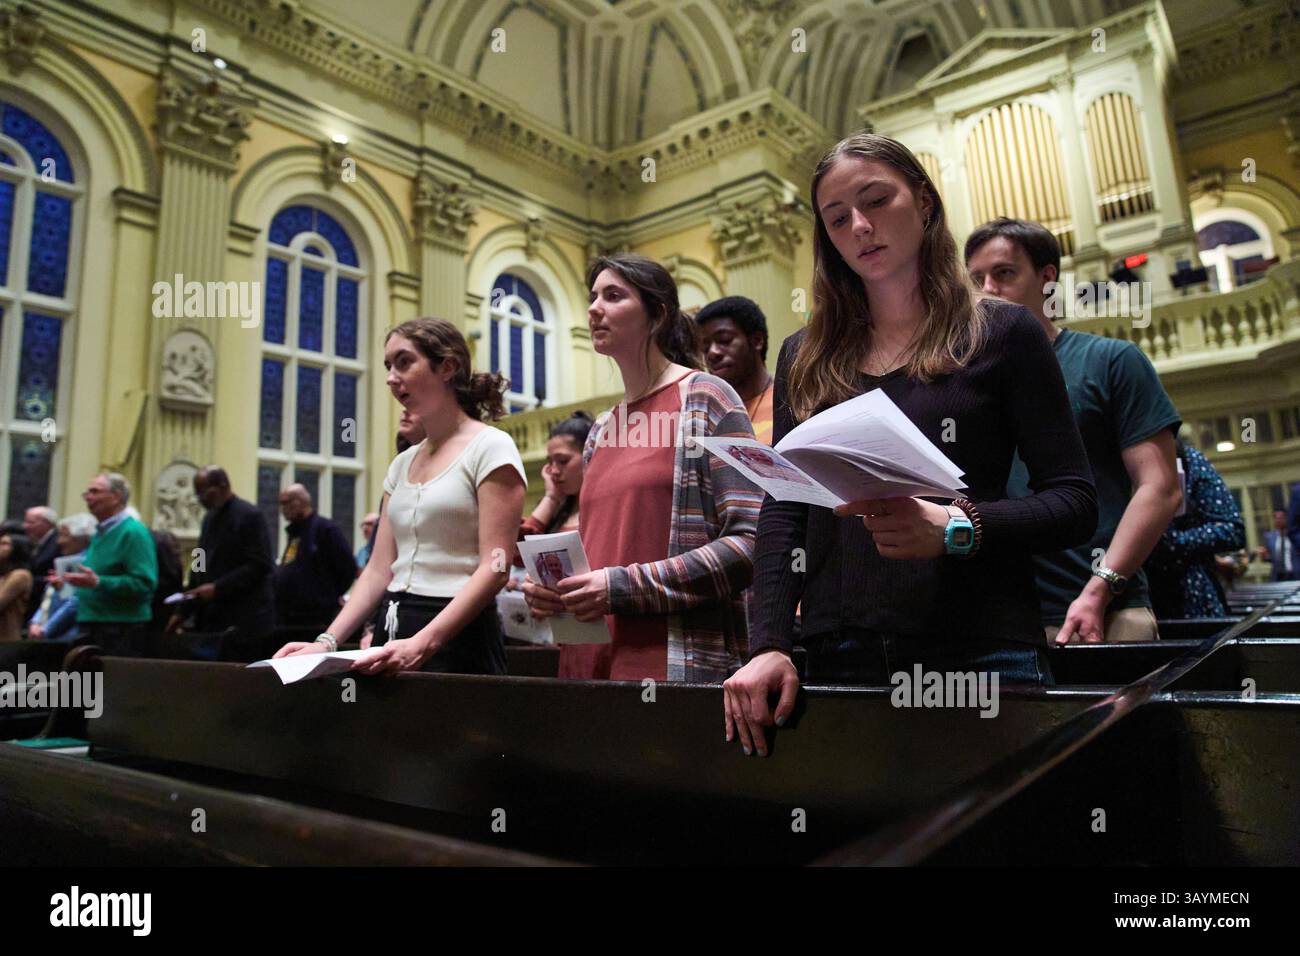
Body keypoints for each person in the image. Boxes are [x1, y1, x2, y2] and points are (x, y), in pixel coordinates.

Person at [723, 133, 1098, 754]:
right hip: (838, 646)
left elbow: (1074, 501)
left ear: (924, 202)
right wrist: (768, 644)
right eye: (837, 218)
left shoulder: (1002, 331)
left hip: (979, 649)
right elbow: (785, 508)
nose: (860, 227)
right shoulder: (804, 353)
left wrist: (956, 526)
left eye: (877, 201)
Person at [522, 254, 763, 682]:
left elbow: (748, 544)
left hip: (668, 663)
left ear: (657, 314)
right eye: (592, 297)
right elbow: (597, 556)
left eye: (613, 296)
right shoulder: (600, 429)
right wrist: (557, 593)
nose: (595, 307)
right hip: (585, 664)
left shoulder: (707, 397)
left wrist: (620, 588)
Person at [966, 217, 1182, 644]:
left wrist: (1100, 588)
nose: (987, 289)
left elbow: (1160, 488)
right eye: (976, 279)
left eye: (1004, 273)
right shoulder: (965, 383)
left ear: (1047, 278)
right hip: (1001, 620)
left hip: (1103, 610)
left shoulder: (1112, 360)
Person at [274, 317, 526, 675]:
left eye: (404, 362)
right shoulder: (402, 463)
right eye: (388, 366)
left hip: (457, 632)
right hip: (393, 623)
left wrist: (424, 642)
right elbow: (378, 570)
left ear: (447, 367)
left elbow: (496, 567)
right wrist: (326, 641)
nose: (392, 377)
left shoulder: (491, 446)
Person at [167, 466, 275, 660]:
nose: (200, 499)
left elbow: (259, 564)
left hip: (244, 618)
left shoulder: (249, 516)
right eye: (197, 493)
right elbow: (199, 560)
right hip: (213, 618)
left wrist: (218, 587)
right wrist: (183, 609)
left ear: (223, 485)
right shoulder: (209, 519)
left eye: (204, 492)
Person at [1144, 441, 1245, 618]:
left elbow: (1233, 530)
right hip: (1137, 597)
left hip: (1193, 597)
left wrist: (1173, 542)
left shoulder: (1190, 460)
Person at [63, 473, 158, 656]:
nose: (88, 497)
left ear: (116, 497)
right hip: (93, 624)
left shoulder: (133, 532)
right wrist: (73, 584)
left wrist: (98, 582)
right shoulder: (100, 533)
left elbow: (144, 584)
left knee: (112, 684)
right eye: (87, 493)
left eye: (95, 491)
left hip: (120, 629)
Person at [273, 483, 357, 631]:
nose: (282, 509)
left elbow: (348, 568)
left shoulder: (324, 529)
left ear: (299, 502)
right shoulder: (295, 532)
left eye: (285, 503)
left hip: (315, 618)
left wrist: (326, 598)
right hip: (290, 616)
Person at [695, 296, 775, 444]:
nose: (712, 352)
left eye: (724, 340)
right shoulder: (706, 413)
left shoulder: (790, 400)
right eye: (705, 347)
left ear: (757, 341)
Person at [27, 512, 96, 641]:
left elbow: (74, 603)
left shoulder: (85, 564)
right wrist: (36, 622)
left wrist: (45, 629)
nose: (59, 541)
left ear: (82, 539)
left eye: (65, 536)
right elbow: (49, 596)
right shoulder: (66, 561)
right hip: (48, 634)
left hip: (68, 637)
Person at [22, 506, 60, 619]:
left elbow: (52, 575)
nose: (25, 526)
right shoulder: (36, 542)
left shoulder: (58, 543)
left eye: (30, 522)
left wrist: (23, 581)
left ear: (47, 523)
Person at [0, 531, 34, 643]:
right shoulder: (4, 575)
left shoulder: (20, 575)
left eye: (4, 544)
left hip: (7, 639)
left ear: (18, 549)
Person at [1261, 509, 1299, 581]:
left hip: (1295, 574)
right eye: (1276, 518)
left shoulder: (1295, 536)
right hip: (1278, 576)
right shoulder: (1270, 537)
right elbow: (1271, 559)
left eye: (1281, 518)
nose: (1278, 520)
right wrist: (1265, 556)